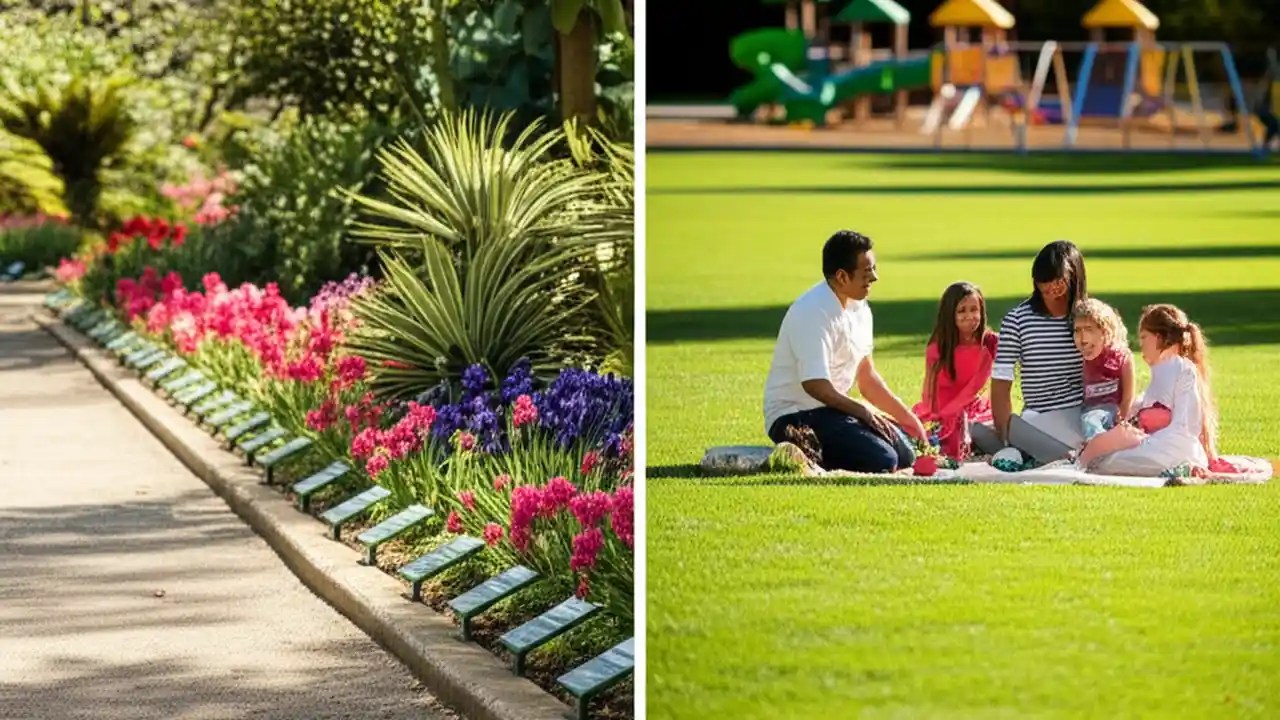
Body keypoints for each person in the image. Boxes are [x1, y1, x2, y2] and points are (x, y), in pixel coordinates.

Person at [763, 230, 927, 473]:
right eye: (867, 272)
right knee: (884, 460)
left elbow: (867, 377)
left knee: (906, 454)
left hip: (833, 410)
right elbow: (815, 385)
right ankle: (796, 450)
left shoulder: (860, 308)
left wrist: (908, 419)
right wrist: (863, 412)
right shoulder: (812, 311)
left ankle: (820, 451)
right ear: (841, 276)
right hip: (795, 414)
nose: (875, 277)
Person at [973, 240, 1089, 461]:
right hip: (1041, 416)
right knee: (990, 430)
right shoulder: (1018, 320)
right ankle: (1027, 446)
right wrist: (1005, 437)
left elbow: (1116, 363)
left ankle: (1046, 451)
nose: (1049, 288)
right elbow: (1001, 380)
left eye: (1058, 281)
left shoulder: (1090, 317)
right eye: (1043, 281)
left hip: (1083, 414)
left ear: (1074, 276)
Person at [1079, 304, 1218, 475]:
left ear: (1158, 338)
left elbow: (1184, 427)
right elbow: (1142, 407)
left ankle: (1182, 467)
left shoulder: (1183, 370)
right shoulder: (1163, 372)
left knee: (1105, 462)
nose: (1140, 344)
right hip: (1158, 445)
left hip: (1175, 447)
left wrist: (1145, 441)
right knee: (1103, 458)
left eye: (1144, 337)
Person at [911, 282, 998, 461]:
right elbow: (929, 390)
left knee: (976, 430)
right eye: (962, 311)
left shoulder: (989, 343)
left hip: (971, 408)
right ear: (950, 315)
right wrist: (935, 415)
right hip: (940, 409)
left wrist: (952, 413)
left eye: (974, 309)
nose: (969, 316)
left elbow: (975, 387)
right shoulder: (938, 347)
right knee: (916, 432)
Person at [1071, 298, 1135, 441]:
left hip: (1111, 411)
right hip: (1087, 411)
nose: (1082, 338)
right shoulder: (1078, 359)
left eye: (1088, 329)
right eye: (1077, 330)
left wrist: (1122, 420)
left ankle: (1100, 450)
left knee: (1091, 420)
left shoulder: (1121, 357)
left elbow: (1128, 397)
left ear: (1105, 332)